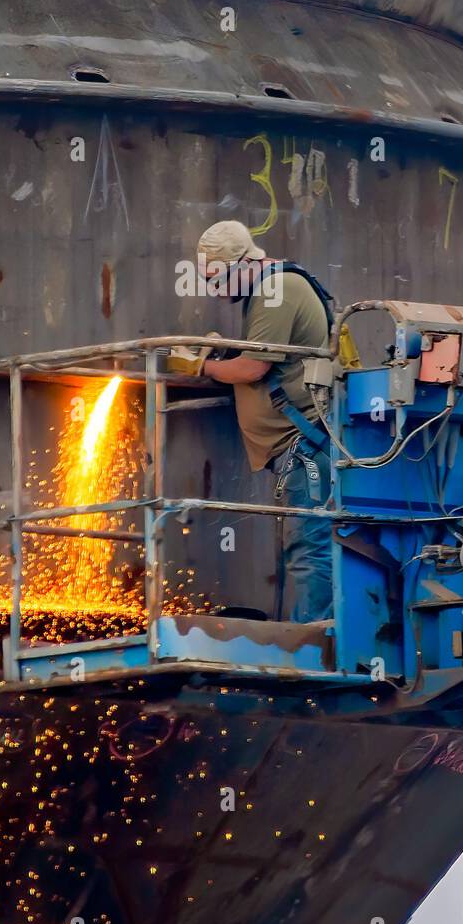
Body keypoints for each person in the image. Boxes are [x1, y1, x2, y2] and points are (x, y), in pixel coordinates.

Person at [168, 220, 334, 623]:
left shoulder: (277, 293)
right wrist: (223, 354)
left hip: (306, 445)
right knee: (310, 542)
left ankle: (316, 647)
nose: (214, 289)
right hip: (300, 447)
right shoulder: (266, 291)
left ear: (245, 262)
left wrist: (202, 365)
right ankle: (316, 638)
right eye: (207, 281)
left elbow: (255, 368)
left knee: (311, 545)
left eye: (217, 279)